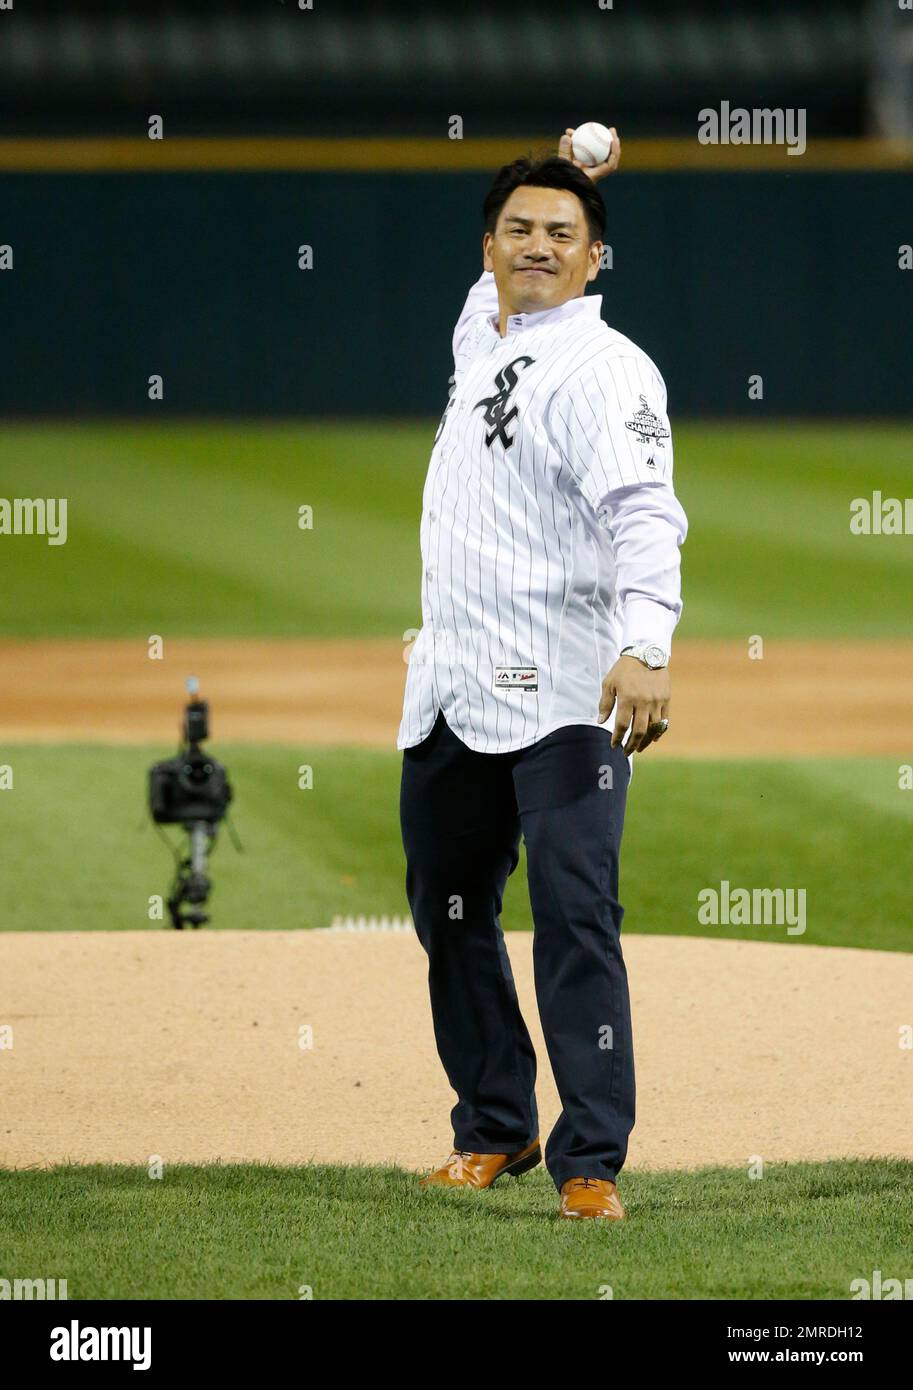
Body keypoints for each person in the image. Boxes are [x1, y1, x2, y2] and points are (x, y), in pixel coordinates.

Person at [398, 127, 688, 1220]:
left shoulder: (607, 370)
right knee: (451, 908)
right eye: (517, 228)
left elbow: (642, 514)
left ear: (595, 260)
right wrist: (566, 171)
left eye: (561, 233)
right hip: (453, 688)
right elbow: (499, 290)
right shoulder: (485, 337)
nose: (536, 244)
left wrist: (646, 643)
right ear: (487, 248)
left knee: (573, 915)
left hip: (567, 695)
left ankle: (588, 1162)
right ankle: (495, 1127)